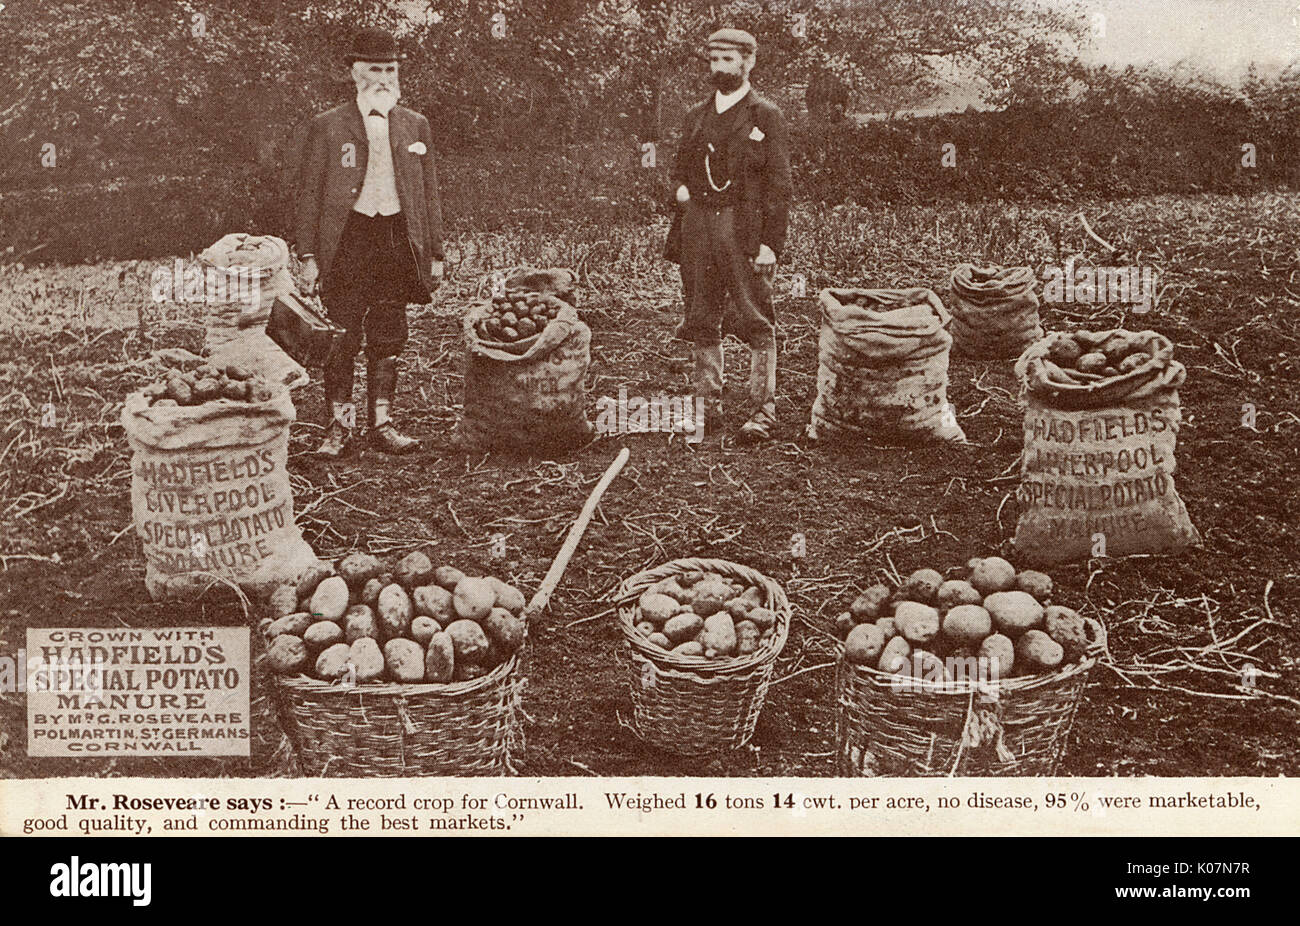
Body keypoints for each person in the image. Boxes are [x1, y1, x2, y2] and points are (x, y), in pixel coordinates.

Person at [294, 26, 445, 456]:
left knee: (389, 331)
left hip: (396, 239)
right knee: (341, 333)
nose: (382, 77)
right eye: (373, 68)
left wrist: (435, 252)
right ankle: (338, 427)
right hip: (348, 240)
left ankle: (382, 424)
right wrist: (307, 255)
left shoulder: (416, 124)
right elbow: (309, 193)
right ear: (355, 72)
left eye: (390, 69)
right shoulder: (328, 125)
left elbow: (428, 193)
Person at [664, 28, 792, 443]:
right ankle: (706, 408)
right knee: (701, 317)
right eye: (713, 60)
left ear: (748, 62)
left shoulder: (764, 115)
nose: (719, 68)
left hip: (743, 229)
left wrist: (771, 243)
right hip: (698, 228)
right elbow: (679, 170)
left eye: (728, 60)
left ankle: (762, 412)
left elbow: (779, 185)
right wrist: (680, 191)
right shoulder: (696, 115)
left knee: (756, 318)